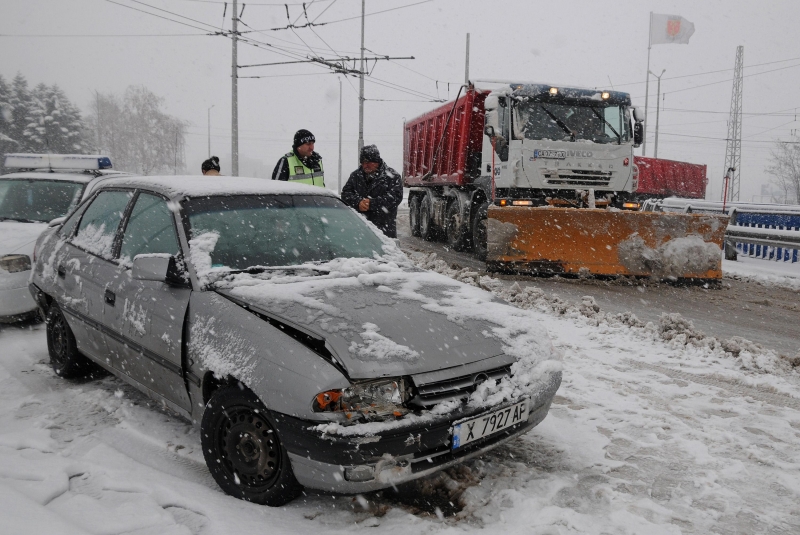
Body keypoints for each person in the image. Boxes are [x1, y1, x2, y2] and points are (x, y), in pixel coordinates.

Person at [341, 144, 403, 238]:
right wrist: (358, 202)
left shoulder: (392, 176)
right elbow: (345, 194)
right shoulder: (355, 176)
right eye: (363, 162)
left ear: (376, 161)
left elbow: (395, 197)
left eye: (368, 162)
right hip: (360, 231)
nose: (365, 165)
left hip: (384, 232)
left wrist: (372, 203)